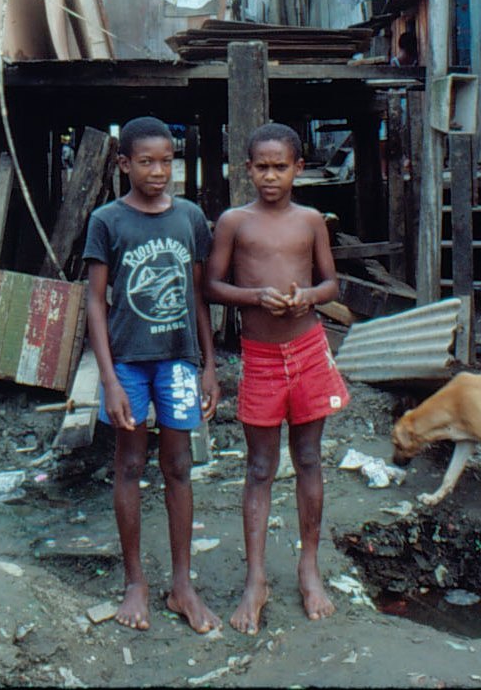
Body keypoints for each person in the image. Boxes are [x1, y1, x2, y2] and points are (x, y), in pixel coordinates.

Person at [205, 122, 350, 635]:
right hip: (261, 356)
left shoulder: (311, 221)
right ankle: (256, 579)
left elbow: (331, 282)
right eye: (261, 167)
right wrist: (256, 297)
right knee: (260, 467)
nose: (271, 176)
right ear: (247, 169)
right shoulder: (233, 222)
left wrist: (307, 297)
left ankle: (309, 568)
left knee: (309, 458)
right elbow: (212, 285)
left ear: (298, 169)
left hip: (308, 349)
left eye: (280, 167)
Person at [83, 116, 221, 635]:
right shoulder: (107, 221)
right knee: (129, 463)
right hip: (129, 363)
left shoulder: (189, 218)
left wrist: (209, 365)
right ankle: (135, 582)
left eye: (167, 160)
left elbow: (199, 298)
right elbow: (95, 303)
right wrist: (109, 379)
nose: (159, 171)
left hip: (179, 360)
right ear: (124, 164)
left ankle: (182, 584)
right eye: (146, 161)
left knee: (179, 465)